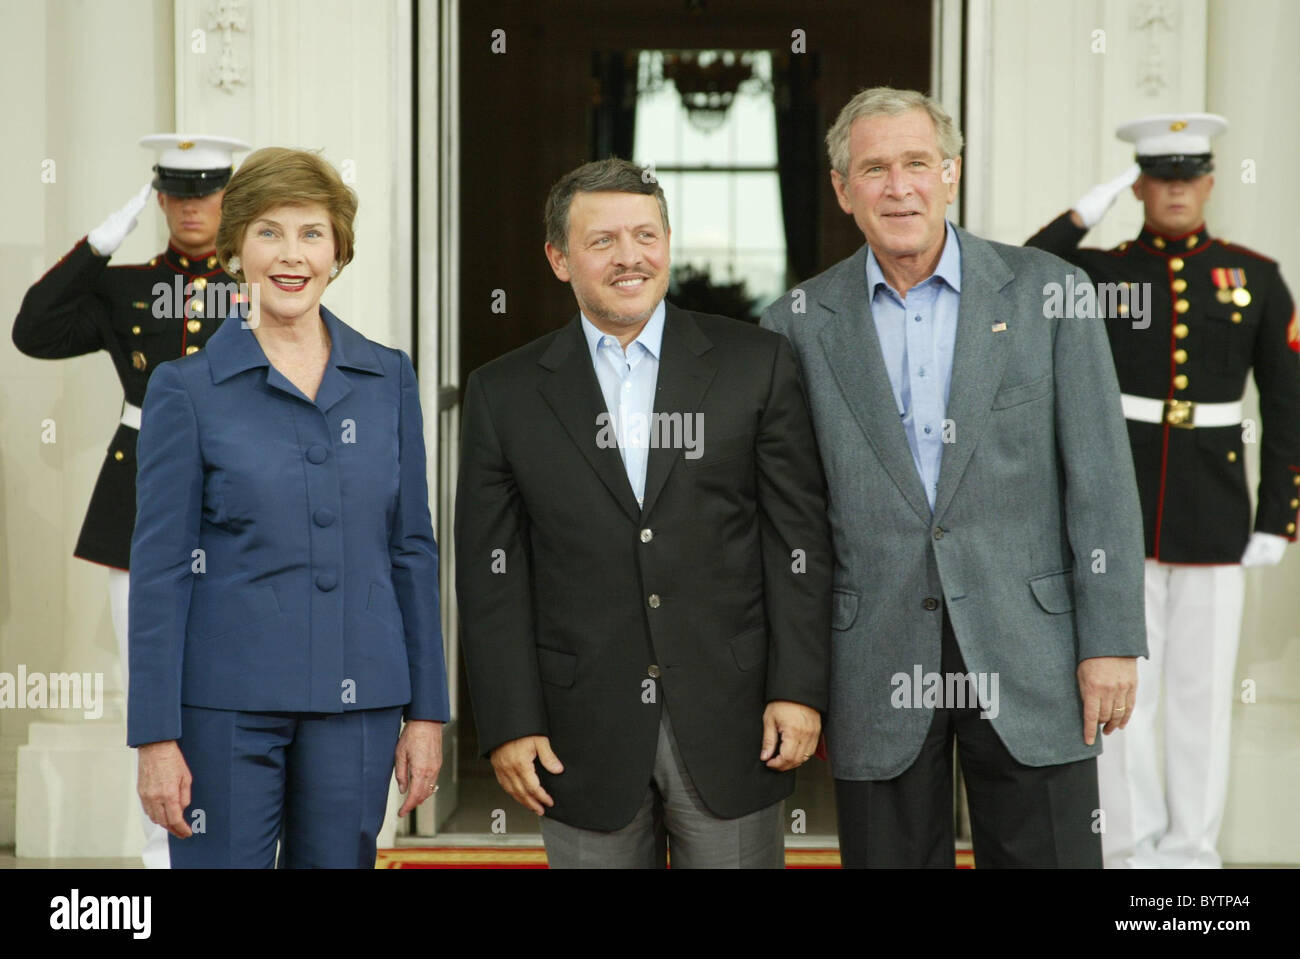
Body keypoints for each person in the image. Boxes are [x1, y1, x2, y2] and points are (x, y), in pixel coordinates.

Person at [761, 87, 1148, 867]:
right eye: (873, 168)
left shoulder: (1050, 293)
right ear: (842, 189)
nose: (898, 187)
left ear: (952, 174)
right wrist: (792, 674)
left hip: (1033, 644)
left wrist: (1111, 639)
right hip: (871, 650)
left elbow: (1101, 477)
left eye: (916, 163)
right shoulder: (795, 322)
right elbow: (791, 519)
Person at [456, 158, 832, 868]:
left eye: (645, 234)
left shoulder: (758, 363)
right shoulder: (502, 393)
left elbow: (797, 543)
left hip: (735, 719)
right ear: (558, 259)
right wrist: (509, 721)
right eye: (602, 241)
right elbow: (490, 575)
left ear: (667, 242)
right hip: (578, 733)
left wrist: (798, 688)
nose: (630, 256)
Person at [127, 147, 450, 868]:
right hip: (224, 712)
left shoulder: (388, 377)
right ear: (236, 249)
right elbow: (160, 569)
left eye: (312, 232)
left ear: (338, 250)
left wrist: (427, 710)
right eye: (269, 232)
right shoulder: (187, 389)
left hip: (361, 706)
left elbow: (412, 550)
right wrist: (154, 734)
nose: (291, 254)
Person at [1027, 114, 1300, 868]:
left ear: (1210, 181)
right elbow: (1020, 275)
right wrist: (1086, 210)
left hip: (1215, 511)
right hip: (1117, 506)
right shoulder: (1102, 272)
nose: (1176, 189)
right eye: (1160, 177)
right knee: (1121, 687)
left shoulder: (1256, 275)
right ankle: (1126, 842)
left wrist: (1279, 513)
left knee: (1201, 694)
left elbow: (1288, 406)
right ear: (1141, 184)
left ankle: (1190, 848)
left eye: (1190, 176)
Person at [11, 133, 250, 868]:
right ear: (160, 199)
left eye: (205, 192)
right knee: (151, 675)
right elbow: (34, 329)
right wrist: (97, 245)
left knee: (238, 670)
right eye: (176, 193)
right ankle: (160, 851)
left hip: (237, 491)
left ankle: (241, 835)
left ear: (227, 199)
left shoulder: (254, 284)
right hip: (141, 489)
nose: (190, 207)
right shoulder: (129, 285)